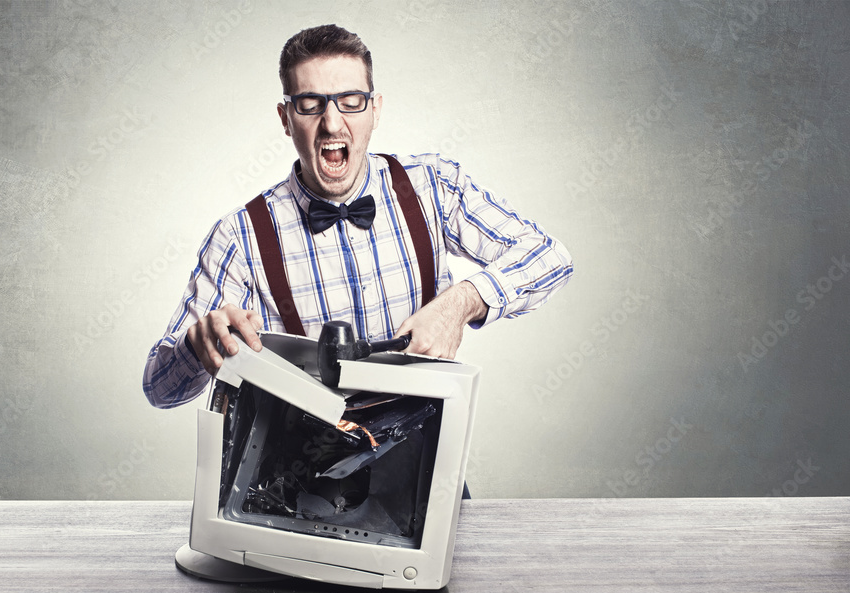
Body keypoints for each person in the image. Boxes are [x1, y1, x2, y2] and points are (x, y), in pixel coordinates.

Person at [143, 24, 573, 409]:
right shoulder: (239, 236)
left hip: (426, 462)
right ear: (286, 119)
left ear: (375, 109)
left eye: (350, 101)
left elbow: (551, 257)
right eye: (311, 104)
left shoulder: (432, 186)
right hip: (297, 482)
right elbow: (159, 389)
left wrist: (462, 302)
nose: (332, 124)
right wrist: (193, 349)